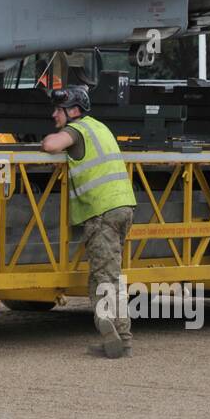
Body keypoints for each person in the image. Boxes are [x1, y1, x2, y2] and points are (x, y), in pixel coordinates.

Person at [41, 85, 138, 358]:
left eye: (58, 111)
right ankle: (119, 339)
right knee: (110, 274)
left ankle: (116, 337)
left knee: (104, 278)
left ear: (73, 111)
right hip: (121, 207)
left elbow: (51, 145)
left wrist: (47, 140)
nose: (54, 115)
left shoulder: (78, 130)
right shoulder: (100, 127)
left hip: (102, 212)